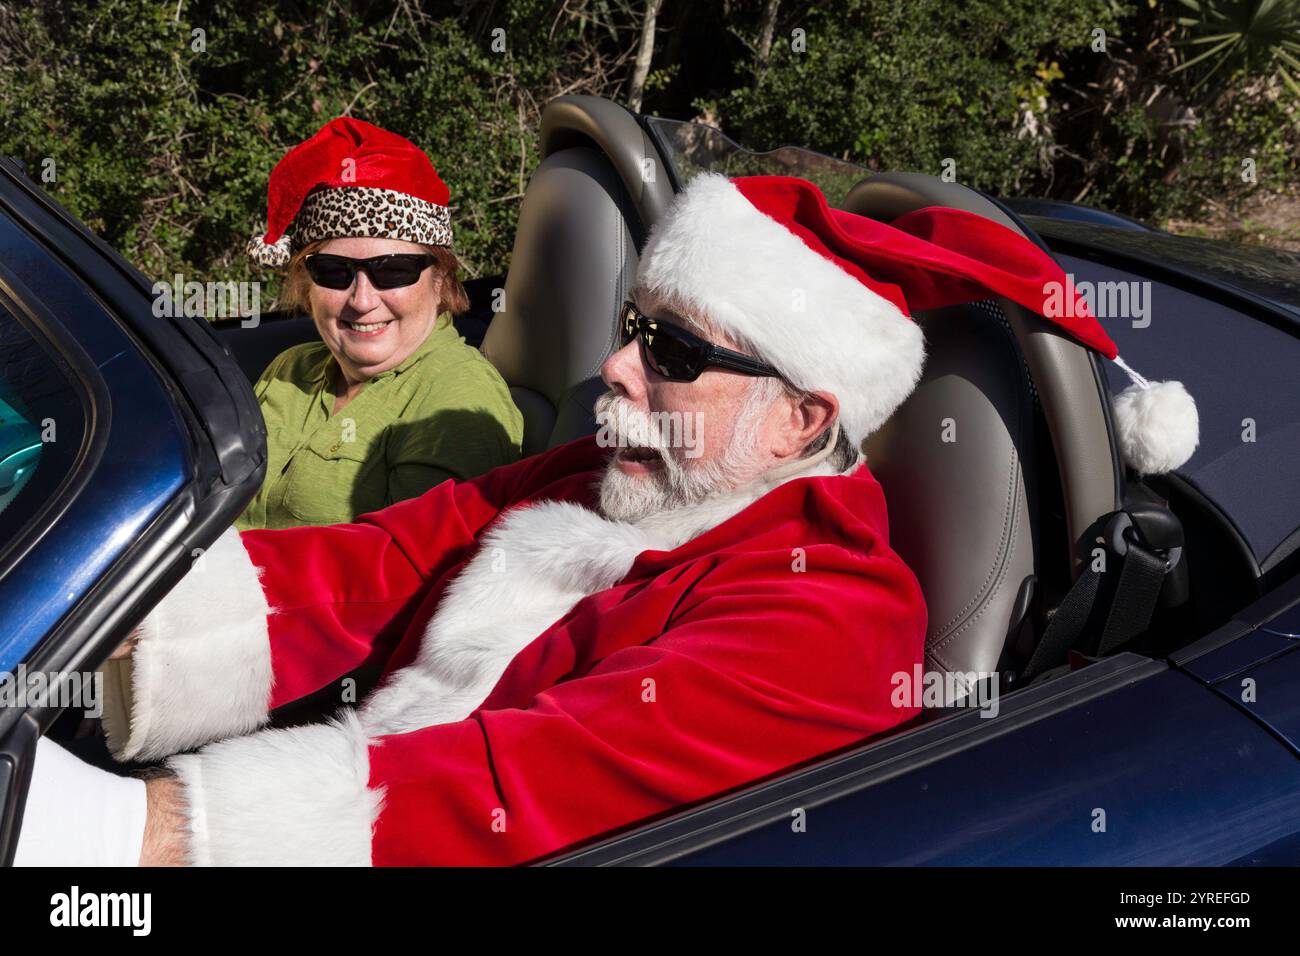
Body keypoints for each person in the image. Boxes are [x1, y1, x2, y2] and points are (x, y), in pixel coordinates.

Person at [15, 173, 1196, 866]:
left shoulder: (825, 612)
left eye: (674, 350)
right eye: (635, 325)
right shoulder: (621, 470)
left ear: (798, 418)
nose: (615, 369)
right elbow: (380, 562)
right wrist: (87, 597)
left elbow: (516, 781)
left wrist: (146, 836)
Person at [237, 117, 524, 529]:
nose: (362, 299)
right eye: (334, 271)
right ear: (306, 282)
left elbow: (407, 574)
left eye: (393, 270)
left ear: (440, 279)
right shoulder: (290, 369)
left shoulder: (458, 397)